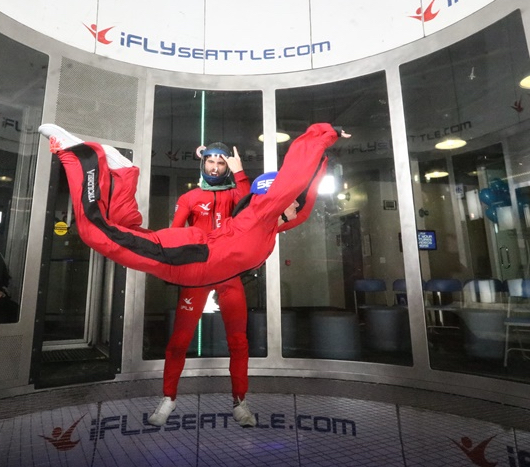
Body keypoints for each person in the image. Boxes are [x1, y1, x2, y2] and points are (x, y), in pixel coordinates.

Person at [36, 122, 348, 289]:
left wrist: (323, 162)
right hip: (192, 257)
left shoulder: (272, 225)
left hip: (191, 258)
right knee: (96, 234)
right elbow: (294, 180)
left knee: (126, 230)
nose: (298, 207)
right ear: (274, 198)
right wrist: (324, 135)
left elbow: (303, 205)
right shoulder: (263, 214)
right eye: (291, 201)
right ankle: (75, 154)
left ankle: (121, 173)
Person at [153, 141, 255, 427]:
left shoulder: (236, 192)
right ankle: (168, 398)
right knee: (178, 342)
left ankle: (240, 401)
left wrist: (241, 173)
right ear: (203, 163)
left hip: (228, 275)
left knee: (238, 341)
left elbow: (252, 212)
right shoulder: (189, 197)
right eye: (211, 162)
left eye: (221, 163)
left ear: (227, 167)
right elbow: (173, 234)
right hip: (197, 276)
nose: (215, 167)